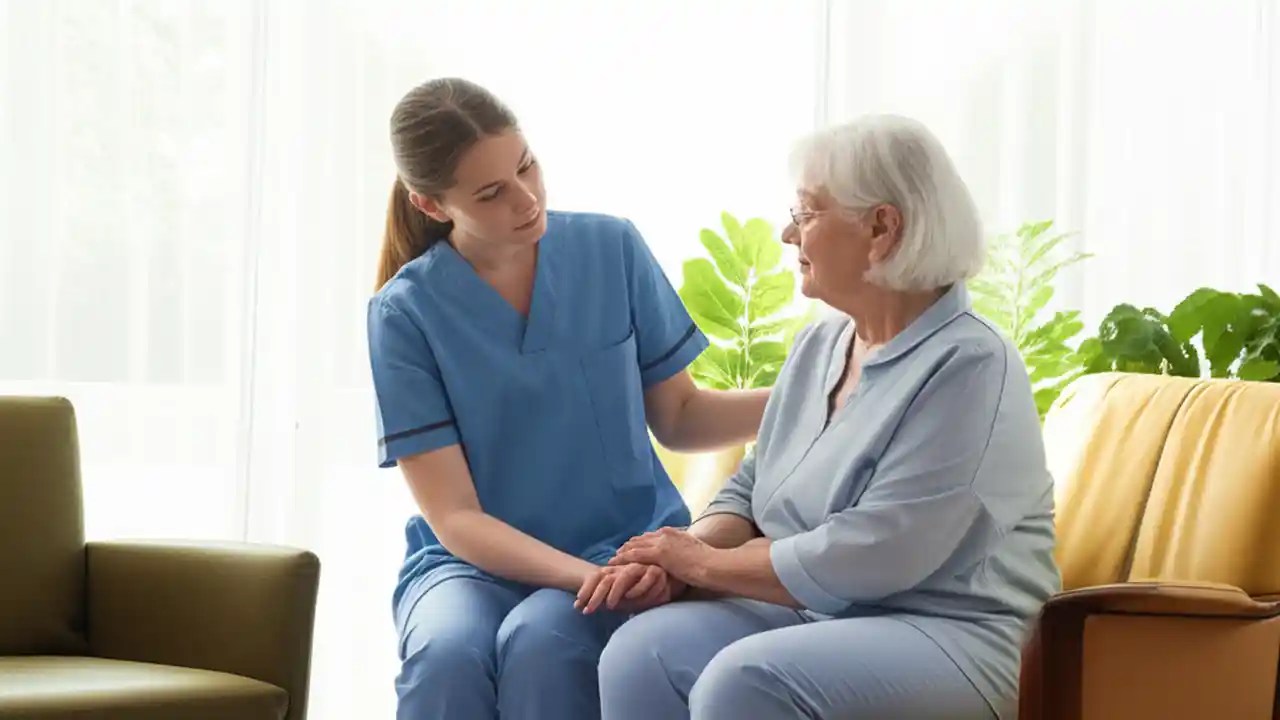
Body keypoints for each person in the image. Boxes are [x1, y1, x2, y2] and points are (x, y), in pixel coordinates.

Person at [589, 114, 1061, 720]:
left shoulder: (972, 364)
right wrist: (680, 557)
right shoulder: (821, 344)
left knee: (745, 681)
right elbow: (752, 485)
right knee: (641, 653)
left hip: (951, 630)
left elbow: (877, 550)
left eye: (807, 213)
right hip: (819, 612)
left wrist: (702, 565)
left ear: (881, 228)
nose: (789, 233)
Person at [365, 77, 769, 720]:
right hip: (470, 563)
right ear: (432, 205)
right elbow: (457, 518)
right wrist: (588, 580)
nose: (526, 198)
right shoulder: (404, 313)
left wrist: (817, 394)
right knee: (445, 655)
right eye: (491, 193)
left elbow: (681, 417)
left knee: (542, 644)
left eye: (526, 166)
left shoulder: (611, 249)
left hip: (620, 546)